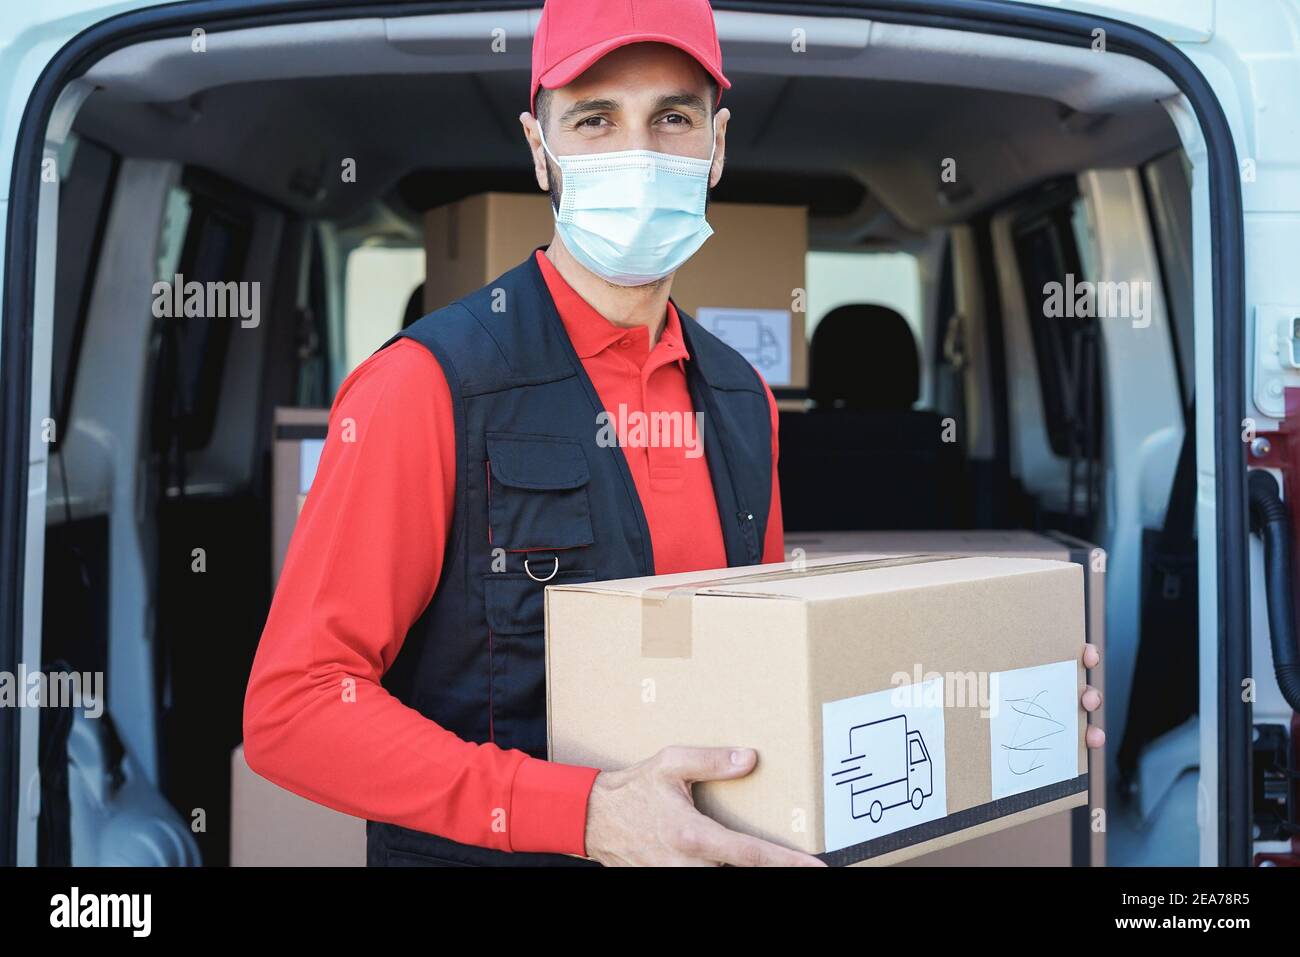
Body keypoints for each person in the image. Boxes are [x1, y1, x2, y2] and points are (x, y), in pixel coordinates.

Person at [242, 0, 1105, 867]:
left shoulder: (741, 399)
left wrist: (992, 692)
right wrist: (581, 814)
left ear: (717, 146)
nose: (638, 153)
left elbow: (770, 661)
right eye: (594, 119)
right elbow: (295, 709)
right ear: (540, 150)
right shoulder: (425, 386)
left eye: (673, 117)